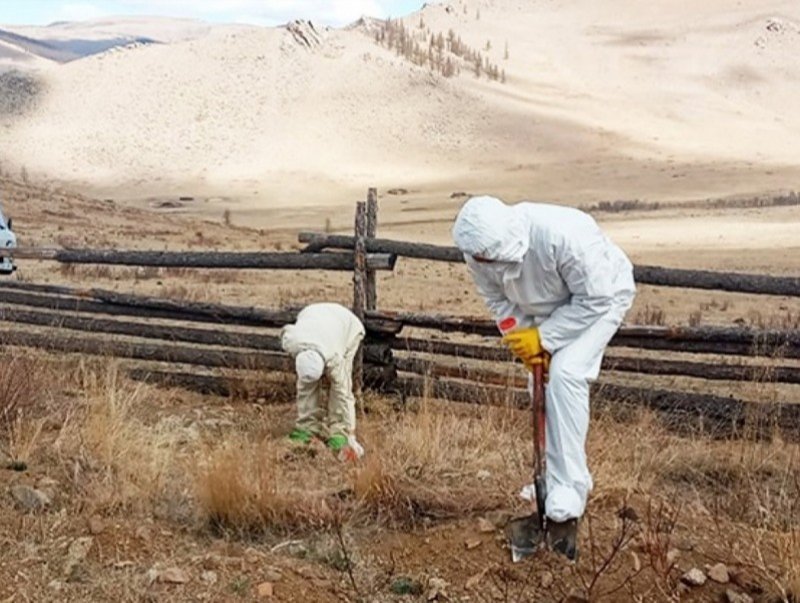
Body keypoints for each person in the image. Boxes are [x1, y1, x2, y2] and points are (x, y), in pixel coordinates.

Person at [452, 195, 636, 559]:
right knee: (539, 381)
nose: (485, 263)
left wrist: (545, 340)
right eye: (481, 259)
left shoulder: (563, 235)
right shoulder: (478, 251)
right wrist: (521, 337)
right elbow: (498, 301)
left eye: (491, 257)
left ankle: (571, 489)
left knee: (566, 374)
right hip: (541, 311)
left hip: (599, 301)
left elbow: (595, 298)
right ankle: (548, 481)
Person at [280, 302, 366, 461]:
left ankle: (339, 432)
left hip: (348, 325)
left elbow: (344, 393)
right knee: (306, 385)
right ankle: (307, 427)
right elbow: (286, 331)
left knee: (339, 385)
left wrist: (350, 434)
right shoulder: (292, 342)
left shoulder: (334, 359)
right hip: (311, 314)